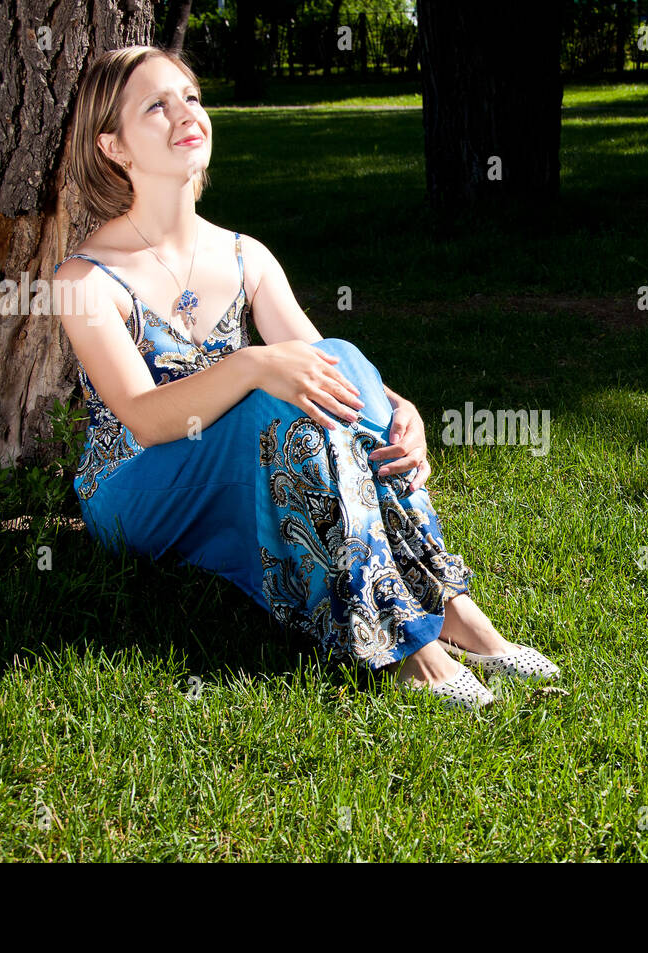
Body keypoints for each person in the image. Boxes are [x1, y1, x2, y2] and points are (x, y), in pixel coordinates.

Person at [51, 46, 560, 711]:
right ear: (113, 146)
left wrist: (400, 409)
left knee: (339, 358)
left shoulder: (246, 255)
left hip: (232, 461)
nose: (186, 114)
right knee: (272, 403)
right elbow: (143, 418)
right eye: (157, 106)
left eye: (192, 98)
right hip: (137, 487)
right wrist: (252, 364)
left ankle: (451, 605)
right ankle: (411, 645)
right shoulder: (86, 278)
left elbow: (329, 365)